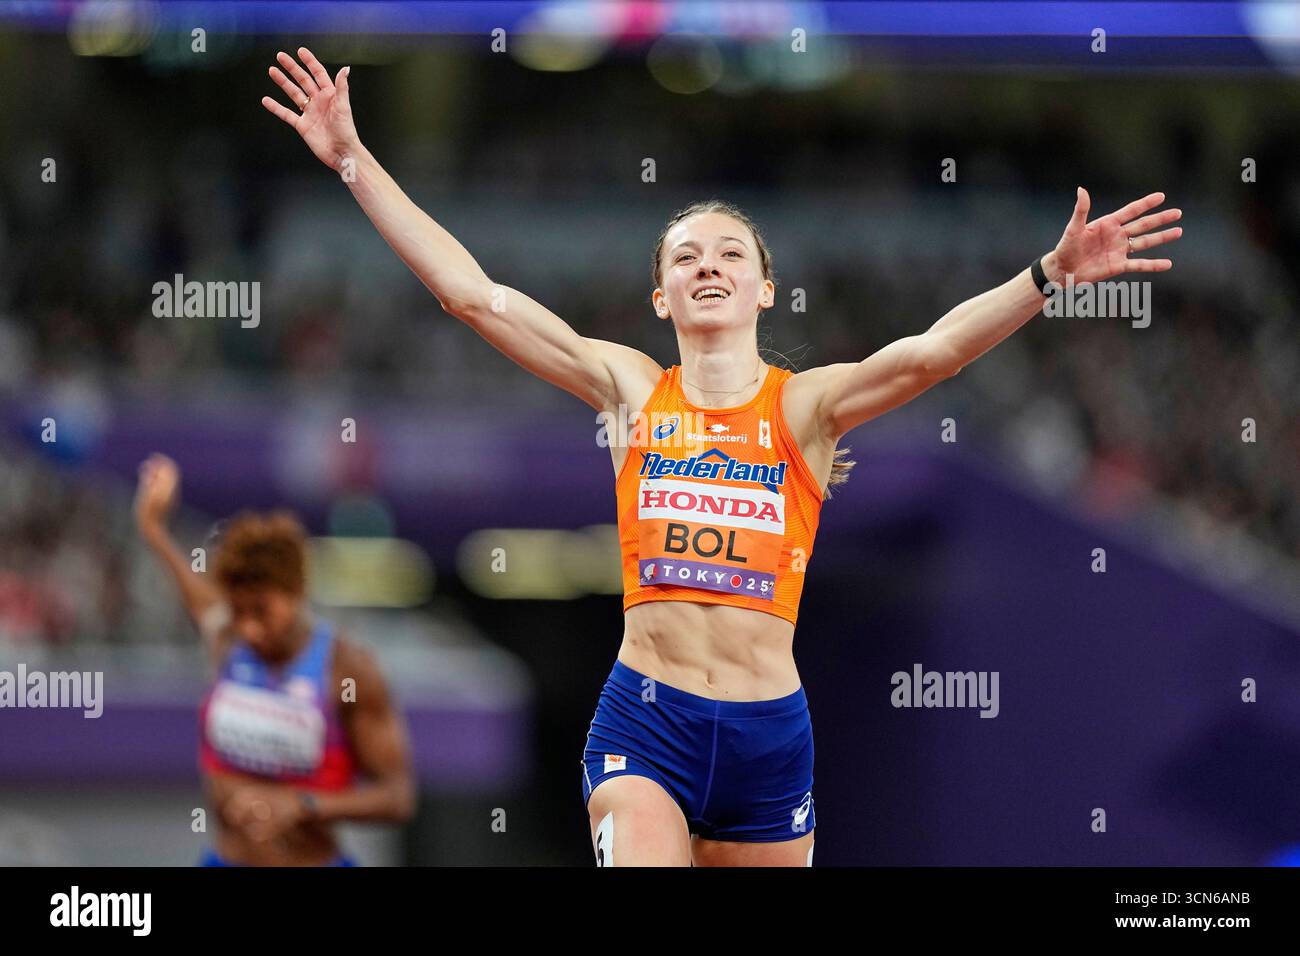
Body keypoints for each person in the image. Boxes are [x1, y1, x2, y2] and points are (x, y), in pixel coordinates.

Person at [261, 47, 1182, 866]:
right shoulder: (629, 390)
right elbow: (475, 296)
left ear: (764, 287)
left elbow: (932, 352)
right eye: (685, 256)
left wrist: (1050, 275)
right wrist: (353, 159)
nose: (708, 265)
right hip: (644, 722)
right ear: (660, 296)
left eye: (730, 253)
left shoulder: (808, 408)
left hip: (768, 739)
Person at [134, 453, 416, 866]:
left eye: (262, 612)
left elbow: (397, 797)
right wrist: (152, 525)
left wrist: (302, 805)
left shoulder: (348, 670)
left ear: (296, 592)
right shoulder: (226, 635)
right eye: (239, 610)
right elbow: (189, 584)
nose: (249, 628)